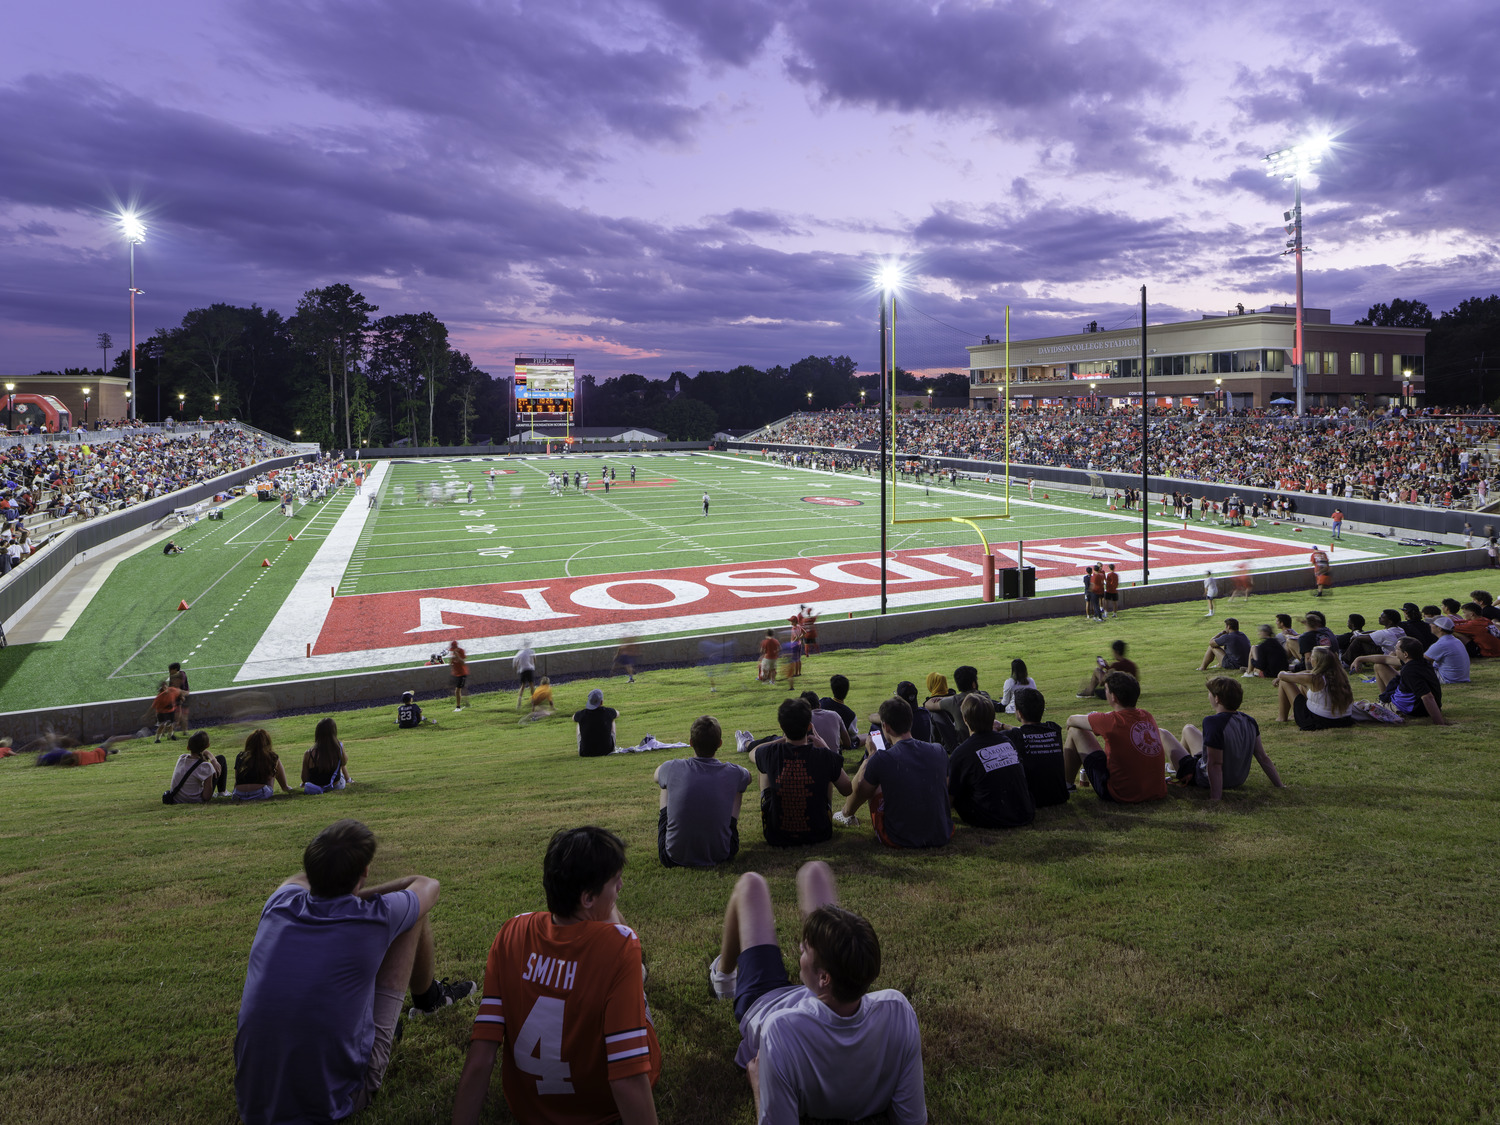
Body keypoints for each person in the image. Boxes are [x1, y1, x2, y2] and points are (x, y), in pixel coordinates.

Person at [235, 820, 476, 1125]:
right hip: (338, 1101)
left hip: (254, 1102)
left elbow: (298, 880)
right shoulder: (376, 916)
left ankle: (411, 1007)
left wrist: (339, 891)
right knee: (414, 915)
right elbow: (426, 884)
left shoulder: (279, 904)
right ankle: (430, 1000)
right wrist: (360, 897)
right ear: (363, 873)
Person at [452, 826, 661, 1125]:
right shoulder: (621, 947)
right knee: (631, 967)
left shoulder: (511, 932)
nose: (622, 886)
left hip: (529, 1106)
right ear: (587, 898)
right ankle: (634, 971)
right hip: (601, 1106)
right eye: (615, 882)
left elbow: (482, 1055)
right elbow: (626, 1080)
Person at [706, 861, 927, 1125]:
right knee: (815, 871)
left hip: (766, 1001)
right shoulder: (898, 1011)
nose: (800, 946)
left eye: (806, 947)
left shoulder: (780, 1031)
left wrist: (757, 1083)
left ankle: (723, 977)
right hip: (817, 999)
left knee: (751, 885)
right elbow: (913, 1119)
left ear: (824, 977)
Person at [837, 697, 953, 848]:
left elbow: (860, 789)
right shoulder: (938, 750)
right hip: (942, 833)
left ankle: (846, 815)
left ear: (885, 726)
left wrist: (870, 756)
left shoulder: (881, 758)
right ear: (910, 721)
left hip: (899, 837)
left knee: (872, 782)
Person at [1161, 677, 1284, 803]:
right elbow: (1262, 757)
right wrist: (1279, 785)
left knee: (1162, 733)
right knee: (1188, 729)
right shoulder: (1249, 721)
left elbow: (1215, 764)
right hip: (1237, 779)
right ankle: (1172, 767)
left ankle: (1180, 771)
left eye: (1209, 693)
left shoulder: (1213, 723)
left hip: (1204, 778)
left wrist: (1216, 797)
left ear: (1217, 698)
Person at [752, 697, 852, 847]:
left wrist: (778, 741)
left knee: (764, 767)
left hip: (776, 834)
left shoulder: (771, 753)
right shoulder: (824, 755)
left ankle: (768, 808)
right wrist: (827, 750)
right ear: (809, 726)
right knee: (827, 772)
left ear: (781, 727)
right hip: (819, 833)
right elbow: (847, 789)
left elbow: (753, 752)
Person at [654, 716, 751, 867]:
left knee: (665, 784)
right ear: (719, 744)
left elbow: (656, 775)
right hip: (722, 853)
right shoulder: (734, 772)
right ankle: (728, 827)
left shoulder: (672, 767)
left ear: (691, 743)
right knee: (739, 786)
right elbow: (748, 777)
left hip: (673, 855)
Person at [1061, 672, 1167, 804]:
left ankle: (1067, 785)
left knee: (1075, 730)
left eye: (1106, 690)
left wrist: (1094, 718)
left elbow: (1071, 720)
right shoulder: (1147, 715)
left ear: (1113, 697)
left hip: (1120, 793)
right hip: (1155, 790)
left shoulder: (1110, 720)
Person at [946, 694, 1035, 830]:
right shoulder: (1006, 741)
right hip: (1024, 812)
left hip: (992, 818)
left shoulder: (962, 753)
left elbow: (950, 796)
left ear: (965, 719)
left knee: (955, 782)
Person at [999, 687, 1069, 807]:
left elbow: (1022, 732)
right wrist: (1004, 725)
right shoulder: (1054, 728)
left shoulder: (1012, 736)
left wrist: (1001, 727)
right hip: (1059, 795)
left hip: (1033, 798)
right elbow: (1028, 731)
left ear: (1019, 713)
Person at [1274, 648, 1354, 730]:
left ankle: (1281, 717)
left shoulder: (1314, 679)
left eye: (1311, 657)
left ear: (1318, 661)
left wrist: (1283, 675)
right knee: (1302, 686)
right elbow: (1308, 673)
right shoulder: (1340, 675)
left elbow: (1282, 676)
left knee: (1284, 682)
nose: (1308, 659)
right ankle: (1294, 715)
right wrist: (1291, 674)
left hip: (1318, 721)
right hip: (1344, 720)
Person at [1378, 637, 1451, 725]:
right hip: (1420, 708)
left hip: (1408, 709)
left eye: (1397, 649)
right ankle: (1383, 702)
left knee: (1363, 708)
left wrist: (1439, 723)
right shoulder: (1423, 662)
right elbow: (1385, 659)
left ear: (1405, 654)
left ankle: (1383, 704)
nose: (1394, 651)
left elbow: (1427, 696)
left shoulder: (1410, 671)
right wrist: (1360, 659)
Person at [232, 729, 297, 801]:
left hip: (238, 794)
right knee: (273, 769)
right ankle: (284, 786)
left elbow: (237, 779)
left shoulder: (240, 756)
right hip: (260, 793)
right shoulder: (271, 756)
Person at [166, 730, 226, 803]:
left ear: (188, 747)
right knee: (221, 758)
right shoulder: (206, 766)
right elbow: (206, 797)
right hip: (194, 800)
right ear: (208, 746)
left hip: (177, 798)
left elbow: (203, 753)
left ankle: (222, 792)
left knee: (218, 759)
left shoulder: (181, 758)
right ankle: (222, 792)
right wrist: (214, 761)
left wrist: (213, 759)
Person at [302, 717, 352, 794]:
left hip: (315, 788)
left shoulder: (308, 754)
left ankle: (348, 779)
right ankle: (348, 779)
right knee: (339, 761)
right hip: (335, 785)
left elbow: (304, 778)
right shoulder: (338, 748)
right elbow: (344, 763)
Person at [801, 690, 852, 756]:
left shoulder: (802, 719)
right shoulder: (835, 715)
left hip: (814, 762)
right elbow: (847, 743)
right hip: (834, 761)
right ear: (819, 705)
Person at [1425, 616, 1471, 685]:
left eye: (1432, 624)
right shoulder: (1456, 640)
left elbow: (1422, 660)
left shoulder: (1441, 644)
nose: (1430, 625)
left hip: (1448, 679)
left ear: (1439, 628)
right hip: (1460, 678)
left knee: (1415, 669)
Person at [573, 688, 620, 757]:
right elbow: (617, 714)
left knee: (579, 722)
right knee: (612, 719)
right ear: (601, 702)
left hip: (585, 752)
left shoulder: (582, 714)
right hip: (607, 750)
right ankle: (611, 744)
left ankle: (585, 745)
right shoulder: (607, 712)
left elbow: (573, 718)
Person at [819, 674, 861, 747]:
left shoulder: (822, 702)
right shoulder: (850, 714)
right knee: (866, 736)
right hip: (839, 742)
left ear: (832, 690)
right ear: (847, 691)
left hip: (820, 738)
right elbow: (853, 737)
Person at [169, 660, 191, 733]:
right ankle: (182, 730)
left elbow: (181, 688)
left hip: (182, 695)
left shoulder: (181, 676)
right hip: (179, 695)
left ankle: (181, 729)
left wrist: (181, 696)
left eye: (170, 670)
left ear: (175, 669)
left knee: (180, 714)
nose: (169, 671)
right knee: (180, 714)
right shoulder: (177, 675)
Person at [515, 638, 536, 708]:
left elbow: (516, 662)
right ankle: (534, 700)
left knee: (523, 686)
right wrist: (533, 666)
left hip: (523, 670)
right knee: (531, 685)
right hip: (529, 669)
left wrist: (518, 668)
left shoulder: (520, 652)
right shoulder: (531, 651)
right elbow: (534, 659)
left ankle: (519, 701)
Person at [449, 640, 469, 712]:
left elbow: (463, 663)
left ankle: (458, 707)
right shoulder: (453, 654)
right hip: (456, 674)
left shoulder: (461, 651)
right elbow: (451, 664)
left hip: (462, 674)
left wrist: (457, 656)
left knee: (457, 690)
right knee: (459, 689)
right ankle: (466, 702)